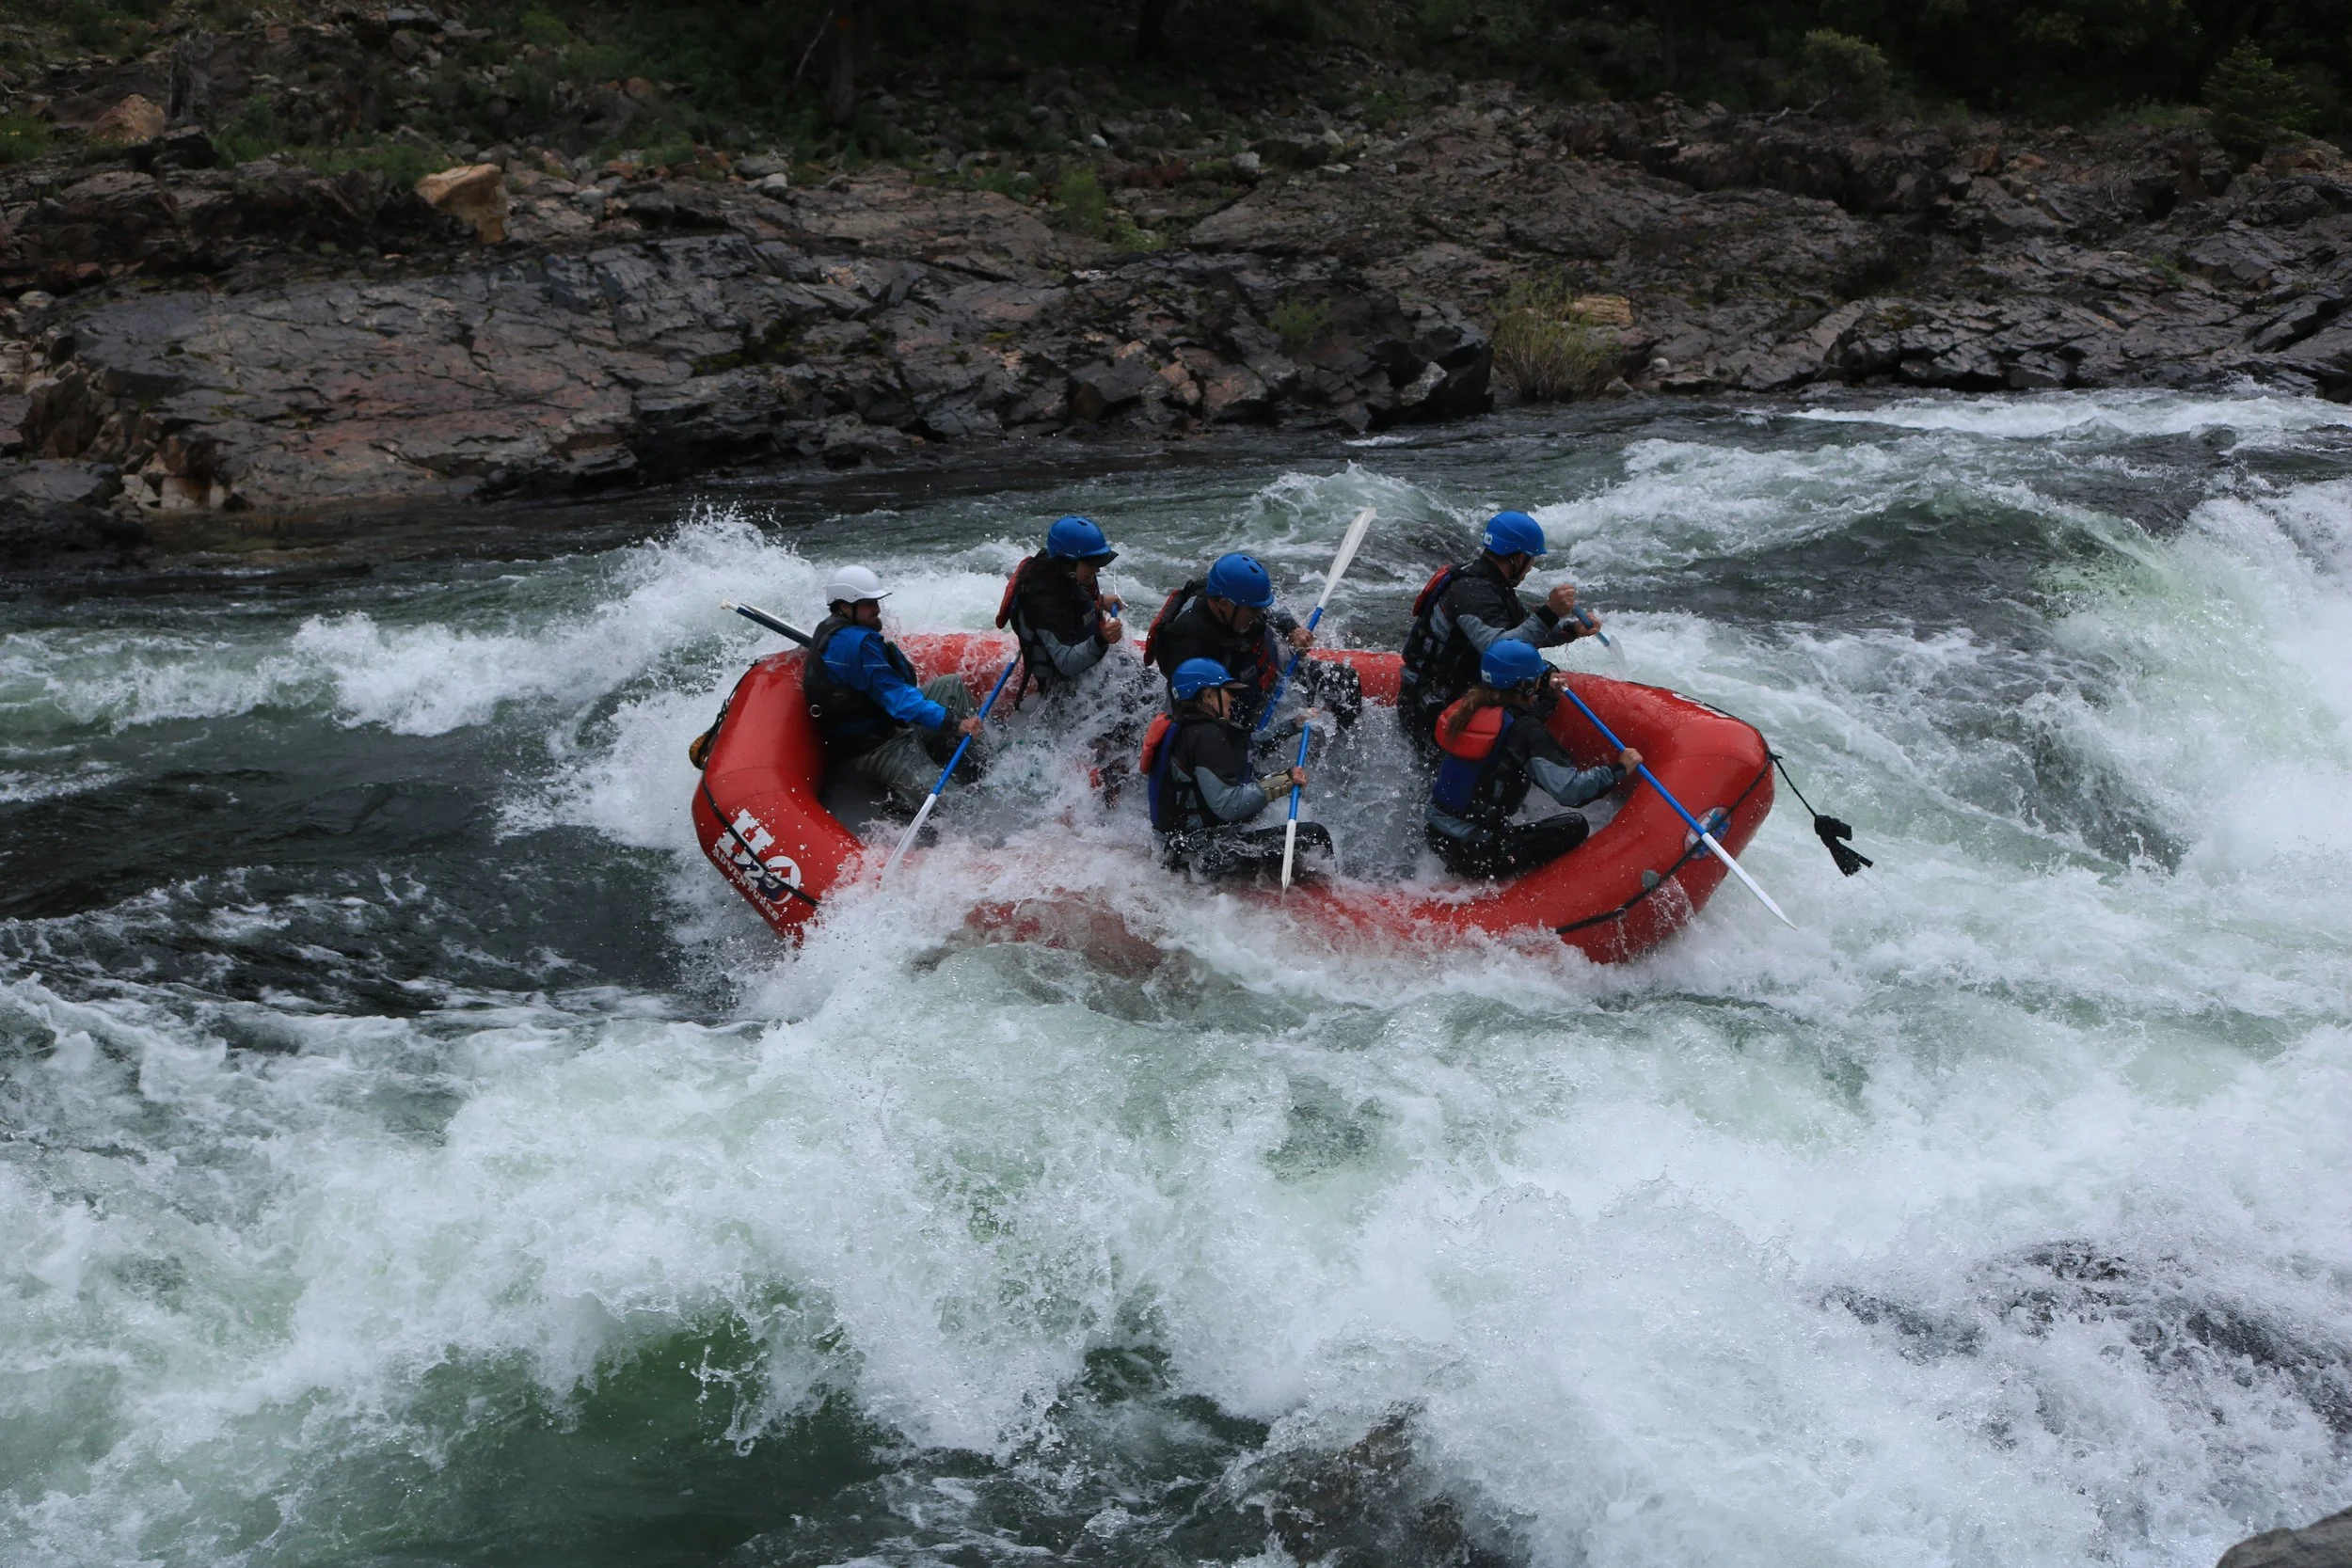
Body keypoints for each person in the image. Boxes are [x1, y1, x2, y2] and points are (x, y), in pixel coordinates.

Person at [1424, 640, 1641, 879]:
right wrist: (1619, 769)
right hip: (1479, 852)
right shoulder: (1525, 731)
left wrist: (1547, 694)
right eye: (1537, 680)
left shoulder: (1470, 706)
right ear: (1527, 687)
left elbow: (1514, 724)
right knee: (1574, 826)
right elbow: (1571, 792)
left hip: (1437, 835)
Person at [1398, 510, 1602, 747]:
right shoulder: (1473, 593)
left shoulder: (1491, 584)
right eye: (1531, 559)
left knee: (1544, 677)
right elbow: (1502, 650)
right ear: (1517, 557)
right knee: (1534, 691)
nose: (1531, 567)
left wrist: (1572, 629)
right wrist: (1550, 612)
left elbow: (1526, 630)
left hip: (1452, 689)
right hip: (1431, 702)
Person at [803, 563, 987, 812]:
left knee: (950, 685)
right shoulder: (857, 643)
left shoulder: (837, 630)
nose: (877, 609)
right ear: (845, 606)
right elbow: (899, 699)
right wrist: (955, 723)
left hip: (886, 720)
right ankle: (912, 801)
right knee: (956, 806)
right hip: (876, 745)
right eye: (868, 603)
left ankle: (988, 762)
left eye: (875, 602)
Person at [1139, 657, 1334, 879]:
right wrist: (1284, 781)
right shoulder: (1204, 736)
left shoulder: (1186, 728)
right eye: (1226, 691)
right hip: (1195, 856)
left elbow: (1248, 750)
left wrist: (1293, 725)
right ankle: (1327, 896)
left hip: (1178, 846)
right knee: (1315, 836)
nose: (1232, 698)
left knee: (1260, 798)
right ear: (1208, 696)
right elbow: (1228, 805)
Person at [1143, 550, 1360, 733]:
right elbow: (1196, 720)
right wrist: (1287, 727)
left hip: (1268, 672)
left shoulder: (1232, 596)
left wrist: (1292, 629)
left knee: (1344, 681)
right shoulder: (1186, 642)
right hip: (1231, 704)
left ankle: (1341, 762)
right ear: (1223, 604)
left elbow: (1271, 605)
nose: (1260, 614)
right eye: (1254, 609)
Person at [996, 515, 1126, 702]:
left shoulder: (1069, 575)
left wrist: (1099, 600)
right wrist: (1102, 638)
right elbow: (1066, 664)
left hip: (1090, 672)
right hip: (1062, 692)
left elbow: (1075, 602)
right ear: (1068, 562)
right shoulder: (1042, 601)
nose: (1097, 569)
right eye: (1092, 563)